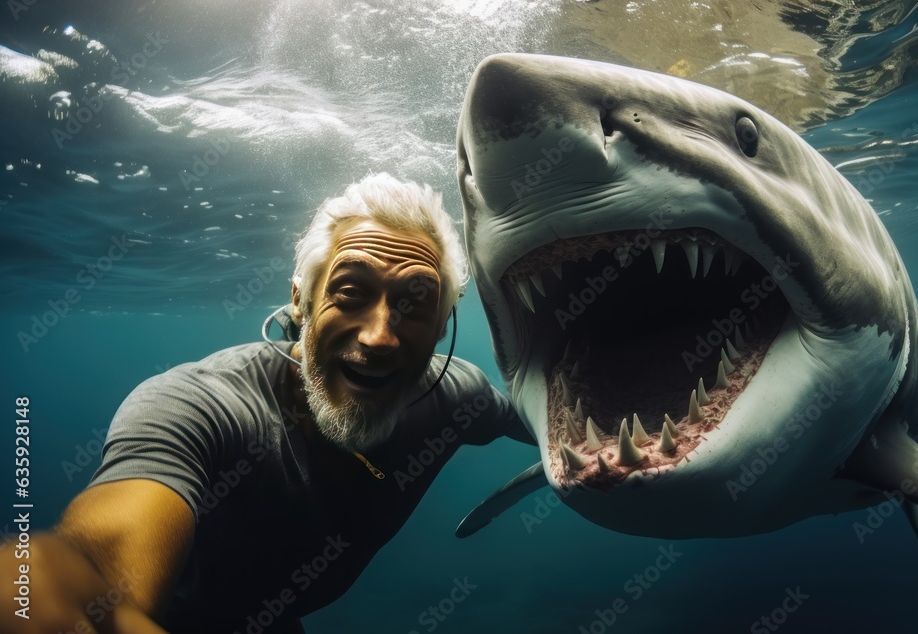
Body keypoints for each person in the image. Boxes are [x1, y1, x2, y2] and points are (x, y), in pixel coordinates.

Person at [1, 174, 533, 634]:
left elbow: (543, 423)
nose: (379, 337)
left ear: (441, 326)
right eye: (351, 292)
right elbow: (96, 575)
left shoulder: (458, 397)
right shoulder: (199, 406)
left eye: (414, 303)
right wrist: (60, 591)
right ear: (300, 301)